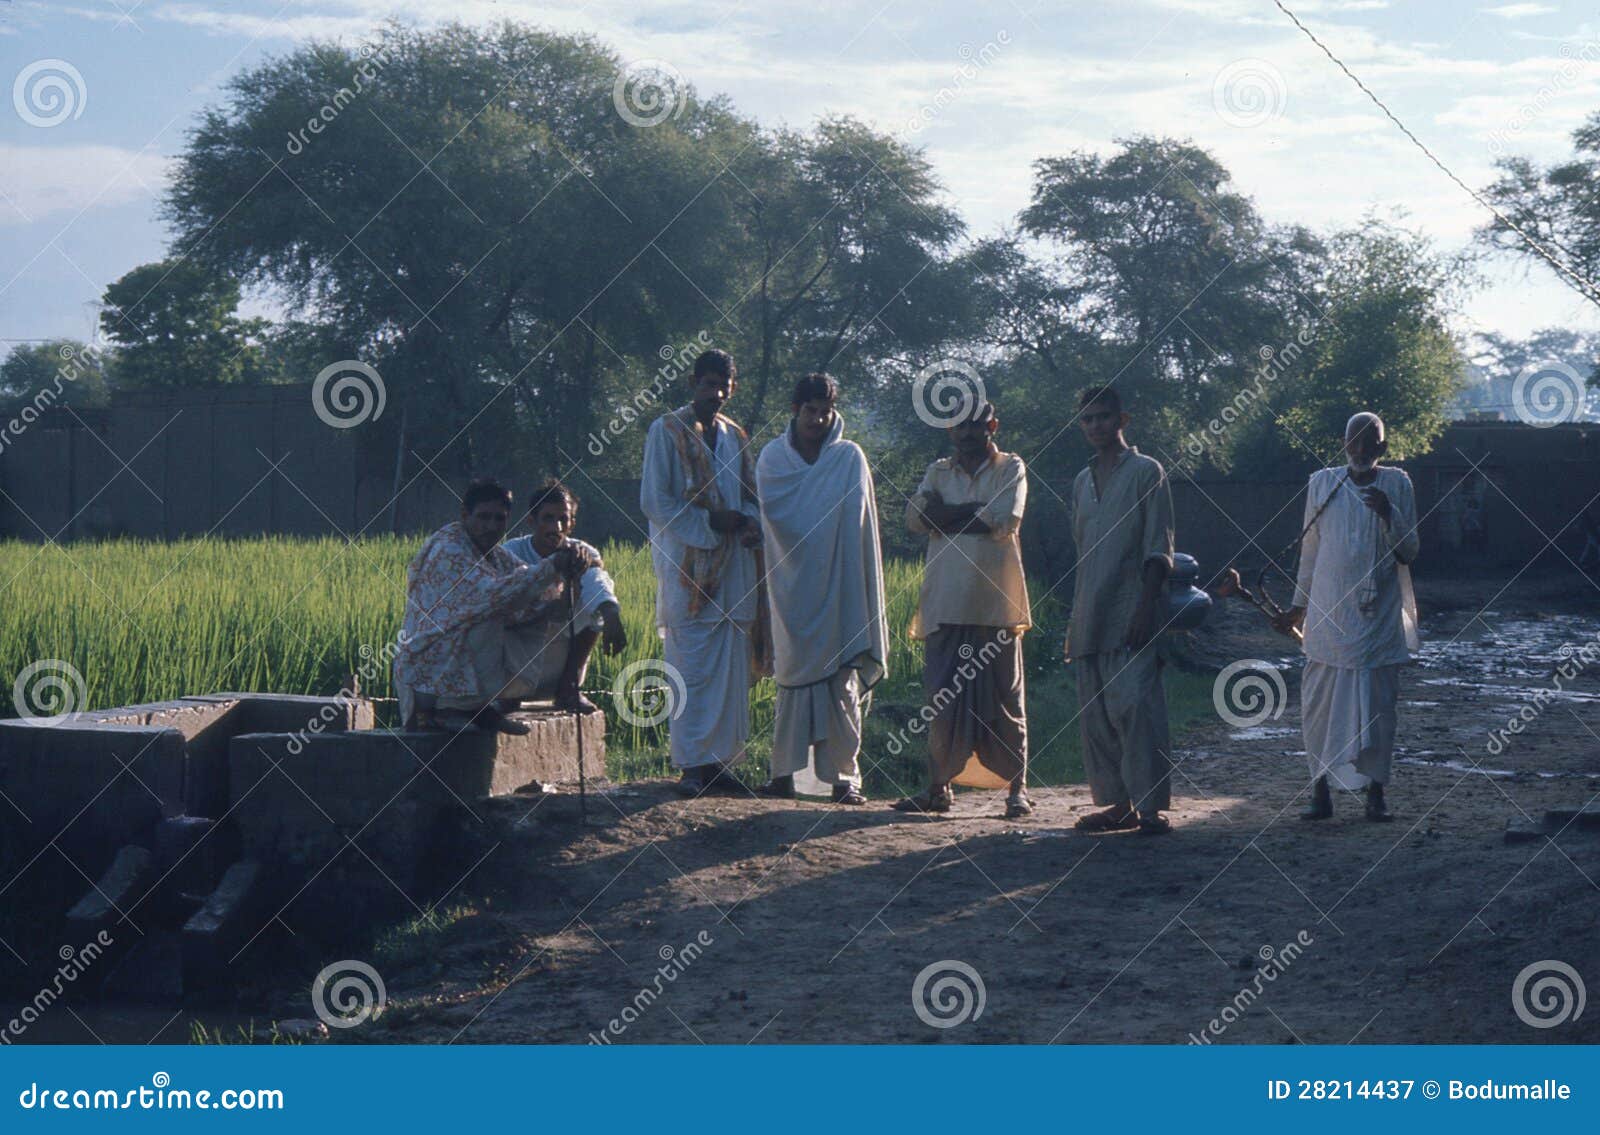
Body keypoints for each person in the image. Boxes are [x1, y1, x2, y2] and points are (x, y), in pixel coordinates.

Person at [1273, 412, 1420, 822]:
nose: (1358, 450)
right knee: (1319, 705)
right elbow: (1310, 551)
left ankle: (1376, 795)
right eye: (1351, 442)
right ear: (1343, 444)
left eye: (1367, 442)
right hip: (1327, 615)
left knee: (1378, 708)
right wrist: (1297, 606)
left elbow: (1409, 552)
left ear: (1382, 448)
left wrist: (1389, 514)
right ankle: (1320, 793)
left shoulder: (1397, 484)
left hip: (1377, 619)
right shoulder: (1322, 483)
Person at [895, 400, 1033, 819]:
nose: (968, 432)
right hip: (945, 603)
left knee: (1005, 700)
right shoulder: (939, 471)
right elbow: (915, 518)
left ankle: (1016, 792)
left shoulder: (1011, 468)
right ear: (949, 430)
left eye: (976, 424)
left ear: (992, 424)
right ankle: (938, 789)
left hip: (996, 604)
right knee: (942, 700)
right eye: (959, 426)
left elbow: (1003, 518)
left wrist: (946, 516)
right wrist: (969, 513)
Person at [641, 349, 769, 798]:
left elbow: (751, 494)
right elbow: (657, 501)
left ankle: (720, 764)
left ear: (733, 387)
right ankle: (691, 766)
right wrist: (713, 522)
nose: (715, 393)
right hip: (688, 569)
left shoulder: (735, 435)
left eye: (724, 385)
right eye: (708, 383)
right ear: (693, 382)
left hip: (732, 567)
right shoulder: (667, 430)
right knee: (690, 666)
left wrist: (749, 521)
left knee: (730, 667)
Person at [756, 373, 888, 806]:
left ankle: (844, 779)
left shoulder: (849, 457)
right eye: (809, 410)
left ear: (833, 412)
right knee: (792, 680)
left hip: (843, 586)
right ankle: (784, 775)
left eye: (824, 410)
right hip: (791, 587)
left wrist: (828, 547)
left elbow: (858, 527)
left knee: (841, 684)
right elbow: (775, 519)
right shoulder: (773, 459)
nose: (817, 418)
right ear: (795, 410)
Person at [394, 478, 598, 733]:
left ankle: (476, 709)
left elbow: (536, 596)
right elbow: (492, 596)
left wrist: (569, 573)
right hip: (427, 676)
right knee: (491, 618)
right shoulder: (448, 550)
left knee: (534, 617)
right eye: (483, 517)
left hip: (452, 667)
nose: (490, 526)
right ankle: (450, 709)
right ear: (465, 515)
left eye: (499, 519)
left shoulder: (494, 555)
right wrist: (552, 566)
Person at [1066, 385, 1176, 836]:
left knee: (1136, 706)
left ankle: (1150, 809)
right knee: (1098, 714)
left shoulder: (1147, 472)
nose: (1096, 426)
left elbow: (1158, 548)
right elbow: (1082, 551)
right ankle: (1118, 806)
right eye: (1088, 419)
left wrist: (1146, 609)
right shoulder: (1080, 481)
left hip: (1132, 607)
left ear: (1122, 421)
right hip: (1090, 611)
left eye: (1104, 417)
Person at [501, 477, 627, 713]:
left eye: (563, 519)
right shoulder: (511, 552)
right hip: (521, 657)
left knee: (594, 601)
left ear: (572, 523)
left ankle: (569, 689)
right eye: (548, 518)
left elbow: (596, 582)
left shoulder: (582, 552)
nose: (556, 527)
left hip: (559, 666)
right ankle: (510, 692)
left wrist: (610, 614)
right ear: (532, 521)